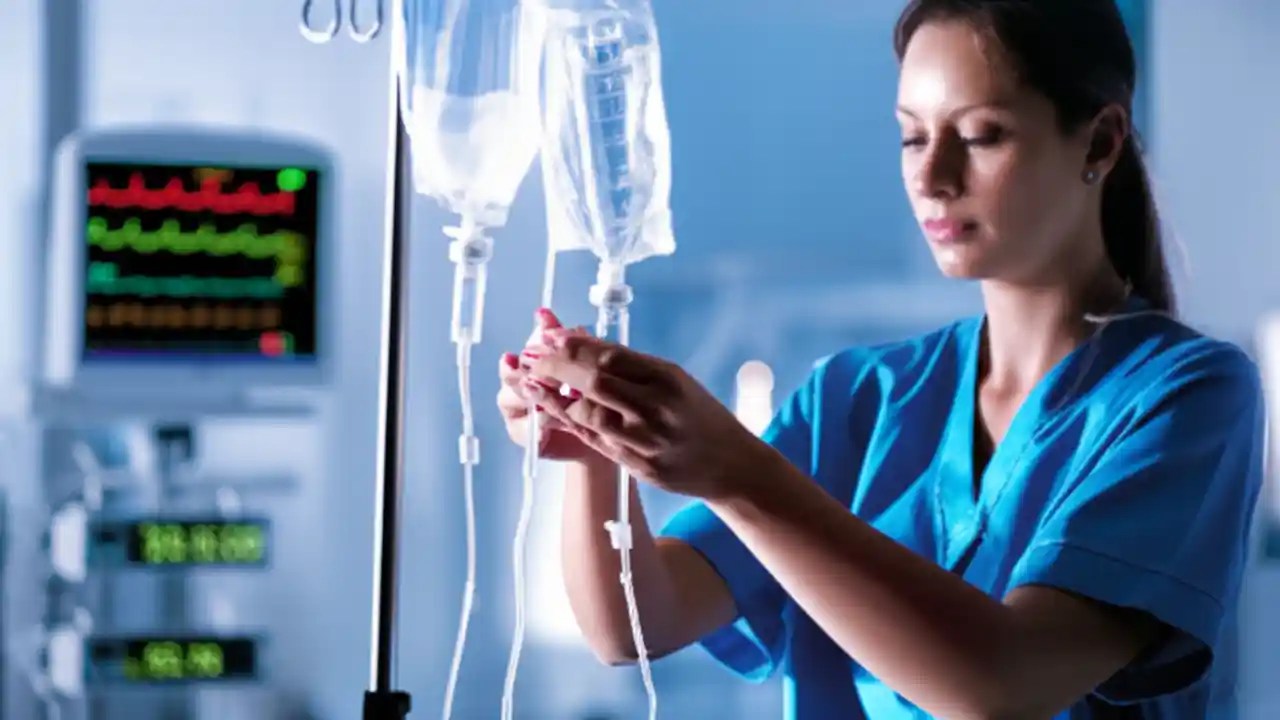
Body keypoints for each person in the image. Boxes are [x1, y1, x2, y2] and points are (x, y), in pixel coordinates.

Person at [496, 0, 1266, 717]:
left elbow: (1003, 683)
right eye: (912, 136)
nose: (932, 178)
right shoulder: (859, 398)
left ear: (1098, 140)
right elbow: (637, 620)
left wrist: (736, 473)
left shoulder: (1188, 397)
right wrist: (592, 453)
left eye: (981, 135)